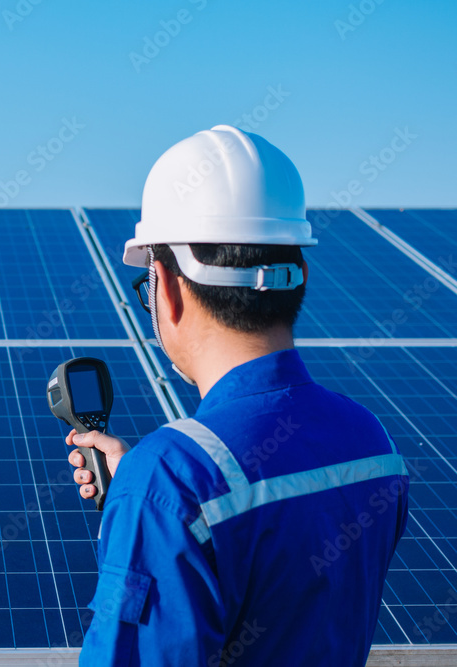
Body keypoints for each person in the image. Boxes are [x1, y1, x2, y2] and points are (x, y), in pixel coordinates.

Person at [66, 125, 409, 665]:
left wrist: (150, 507)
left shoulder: (170, 480)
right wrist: (152, 507)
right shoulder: (370, 441)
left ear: (168, 287)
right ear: (298, 273)